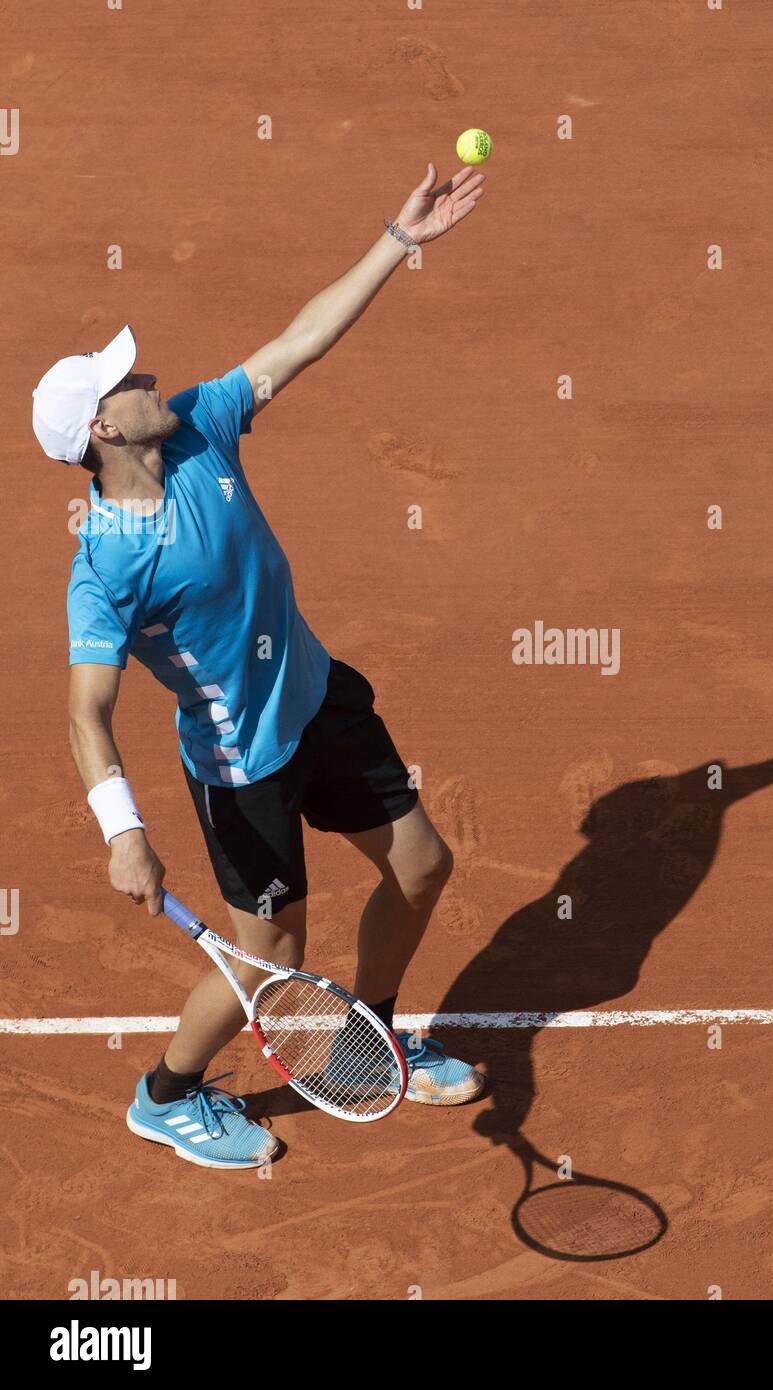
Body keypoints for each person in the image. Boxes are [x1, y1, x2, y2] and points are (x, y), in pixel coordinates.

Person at [34, 164, 487, 1170]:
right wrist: (125, 836)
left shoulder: (200, 426)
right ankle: (165, 1093)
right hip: (244, 769)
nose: (148, 377)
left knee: (421, 865)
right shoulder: (104, 562)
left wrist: (398, 236)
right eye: (126, 381)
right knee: (269, 958)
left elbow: (299, 339)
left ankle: (368, 1041)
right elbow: (85, 715)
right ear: (104, 431)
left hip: (318, 699)